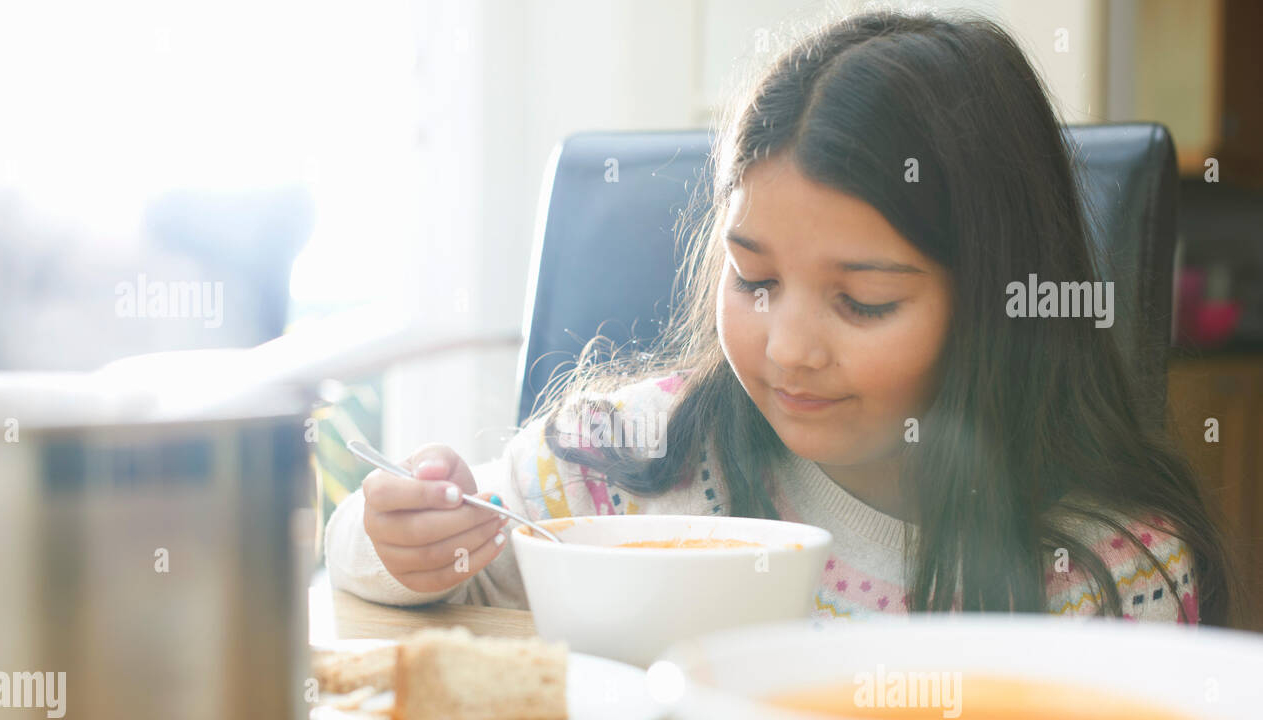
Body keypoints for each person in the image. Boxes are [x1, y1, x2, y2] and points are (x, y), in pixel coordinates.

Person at [327, 11, 1242, 626]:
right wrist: (393, 541)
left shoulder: (1107, 578)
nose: (788, 349)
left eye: (864, 302)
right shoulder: (625, 467)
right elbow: (406, 577)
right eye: (753, 280)